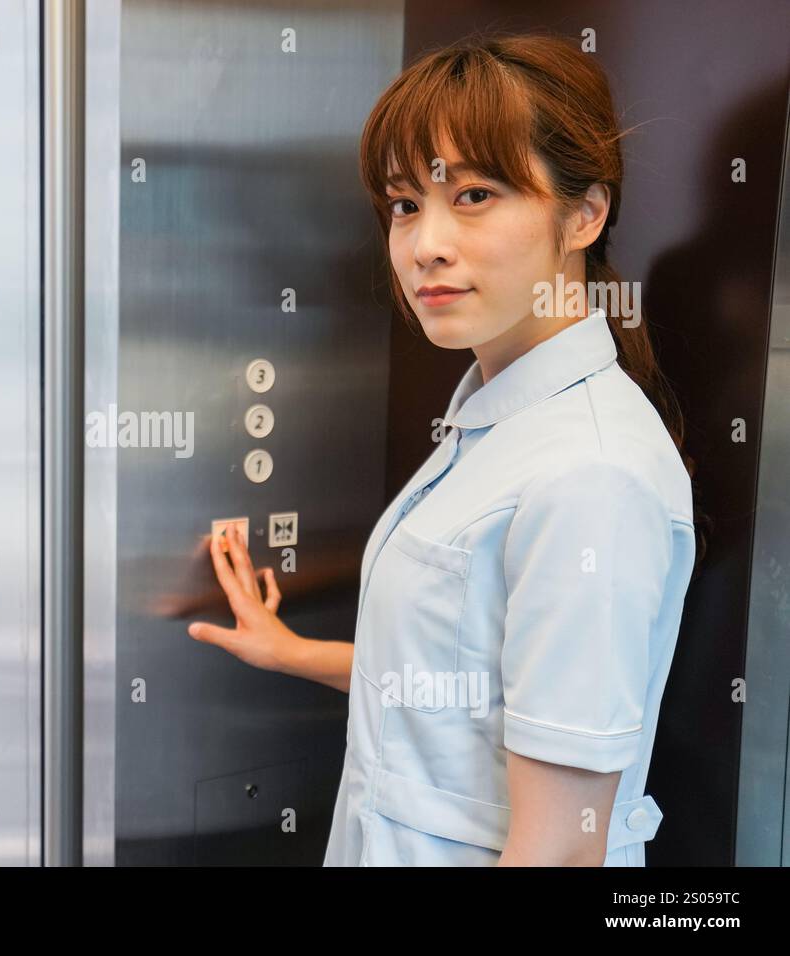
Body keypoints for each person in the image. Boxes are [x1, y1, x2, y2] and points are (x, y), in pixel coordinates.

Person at [187, 32, 704, 866]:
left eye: (472, 195)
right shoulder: (496, 419)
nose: (424, 243)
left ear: (585, 213)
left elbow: (561, 852)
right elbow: (471, 689)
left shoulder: (590, 475)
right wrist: (291, 652)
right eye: (403, 204)